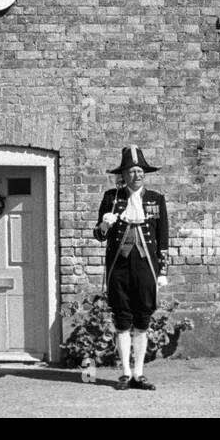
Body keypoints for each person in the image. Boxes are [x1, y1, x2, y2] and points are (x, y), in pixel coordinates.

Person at [94, 145, 169, 390]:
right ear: (123, 175)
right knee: (122, 318)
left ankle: (139, 373)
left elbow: (163, 238)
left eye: (140, 171)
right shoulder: (111, 198)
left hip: (146, 265)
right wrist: (105, 225)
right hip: (120, 266)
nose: (137, 175)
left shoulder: (156, 199)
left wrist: (163, 272)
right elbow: (98, 235)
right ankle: (125, 373)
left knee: (143, 318)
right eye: (131, 171)